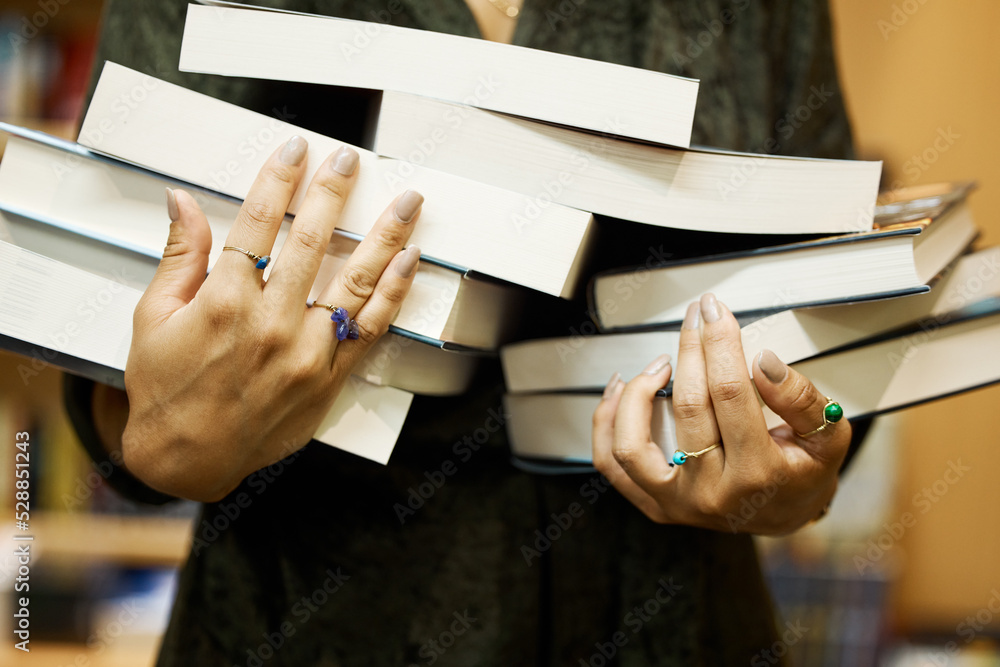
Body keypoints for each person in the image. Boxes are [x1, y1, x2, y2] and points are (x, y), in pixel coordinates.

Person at [64, 0, 866, 664]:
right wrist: (162, 437)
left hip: (674, 623)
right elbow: (99, 347)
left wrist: (800, 469)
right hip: (300, 617)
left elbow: (841, 321)